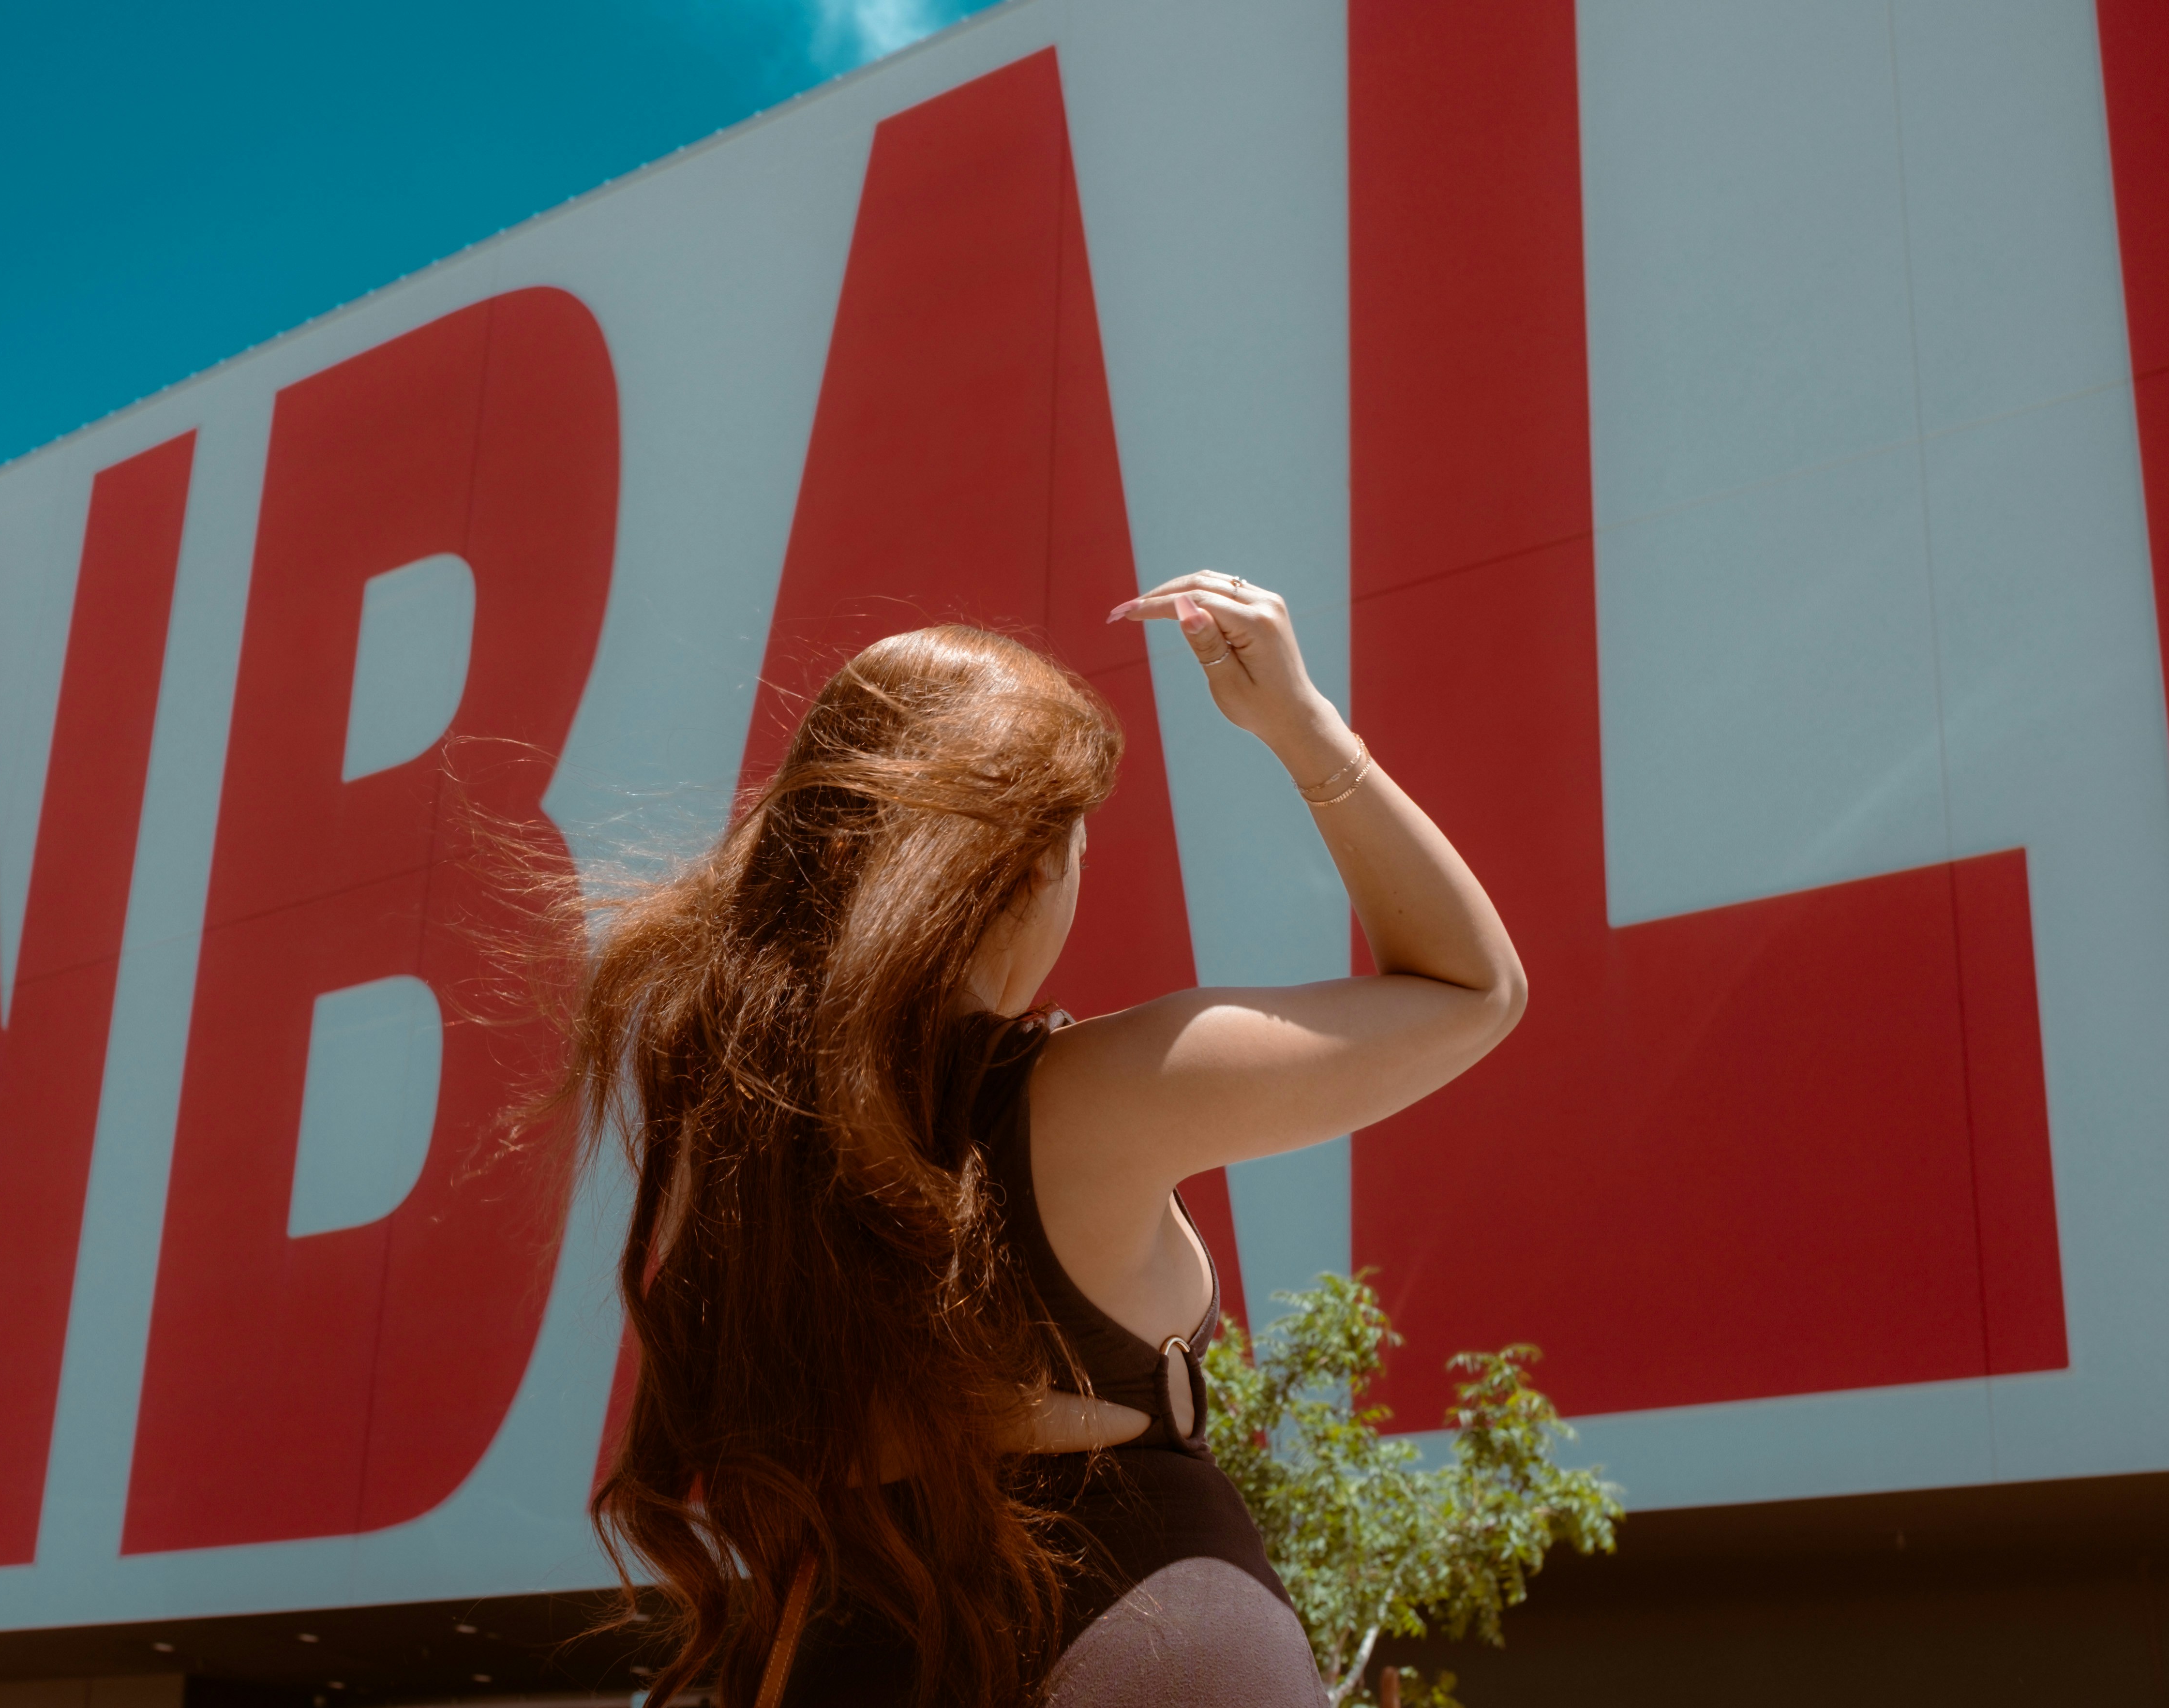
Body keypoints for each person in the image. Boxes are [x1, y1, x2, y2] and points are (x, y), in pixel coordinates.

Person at [567, 572, 1526, 1706]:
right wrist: (1303, 723)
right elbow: (1474, 988)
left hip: (848, 1652)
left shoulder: (743, 1140)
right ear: (1029, 867)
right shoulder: (1098, 1092)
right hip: (1150, 1647)